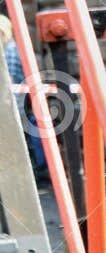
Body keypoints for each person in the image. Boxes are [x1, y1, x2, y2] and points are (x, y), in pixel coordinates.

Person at [2, 15, 48, 171]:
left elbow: (10, 82)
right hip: (19, 101)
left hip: (13, 103)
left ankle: (35, 169)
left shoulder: (9, 52)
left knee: (17, 138)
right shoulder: (10, 49)